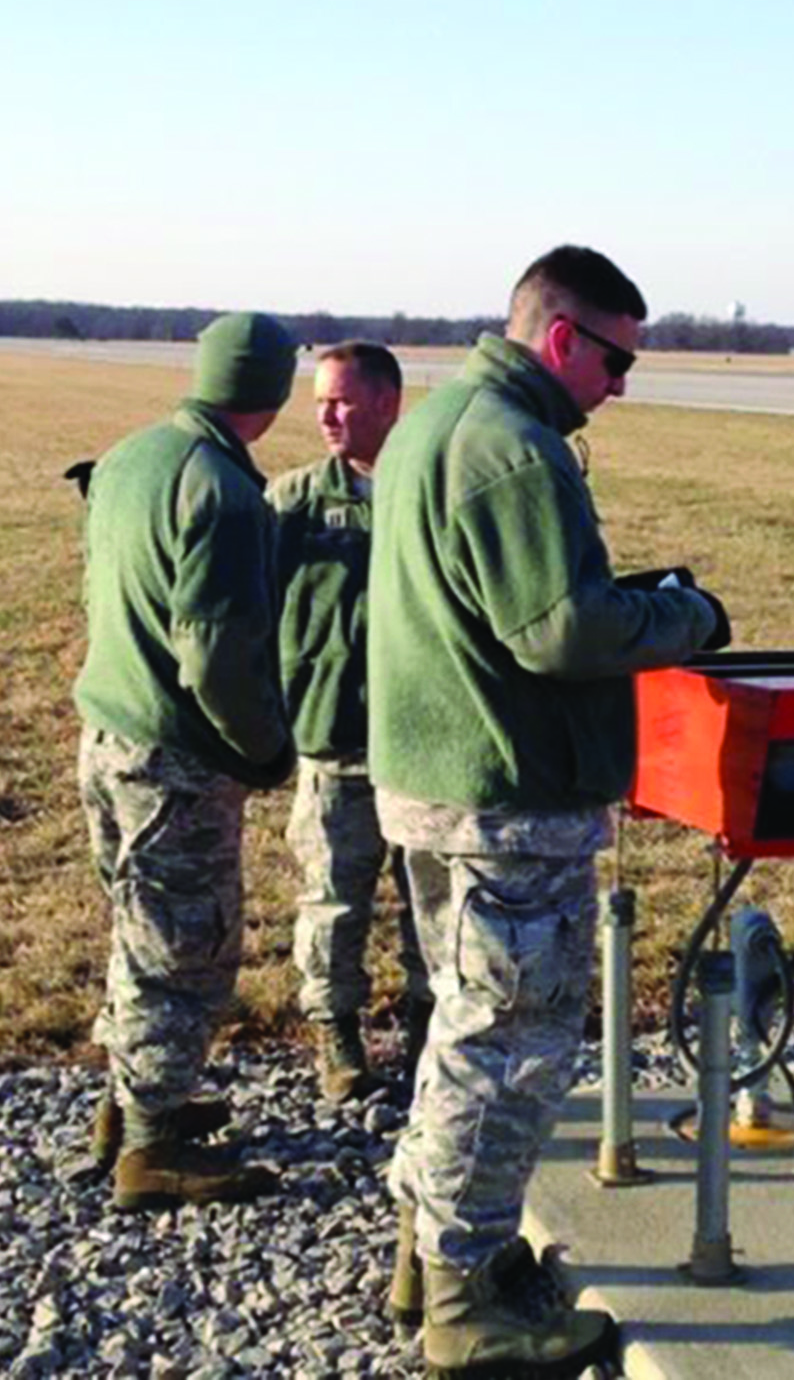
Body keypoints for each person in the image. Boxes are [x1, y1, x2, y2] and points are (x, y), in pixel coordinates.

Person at [369, 245, 728, 1374]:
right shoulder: (513, 446)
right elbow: (562, 632)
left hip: (441, 783)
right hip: (506, 800)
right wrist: (687, 618)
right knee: (509, 1047)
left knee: (463, 1026)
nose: (620, 387)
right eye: (616, 362)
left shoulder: (437, 422)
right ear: (562, 336)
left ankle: (430, 1253)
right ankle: (465, 1301)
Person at [74, 311, 300, 1210]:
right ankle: (152, 1148)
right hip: (174, 757)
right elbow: (216, 657)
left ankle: (131, 1100)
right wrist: (265, 749)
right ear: (272, 390)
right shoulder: (222, 490)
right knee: (185, 948)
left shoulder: (131, 457)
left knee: (139, 929)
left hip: (107, 735)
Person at [268, 340, 430, 1102]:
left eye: (341, 400)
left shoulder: (429, 489)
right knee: (333, 896)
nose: (326, 416)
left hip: (426, 741)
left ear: (389, 402)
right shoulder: (295, 501)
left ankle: (431, 1030)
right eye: (319, 403)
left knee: (434, 901)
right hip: (334, 735)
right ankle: (337, 1036)